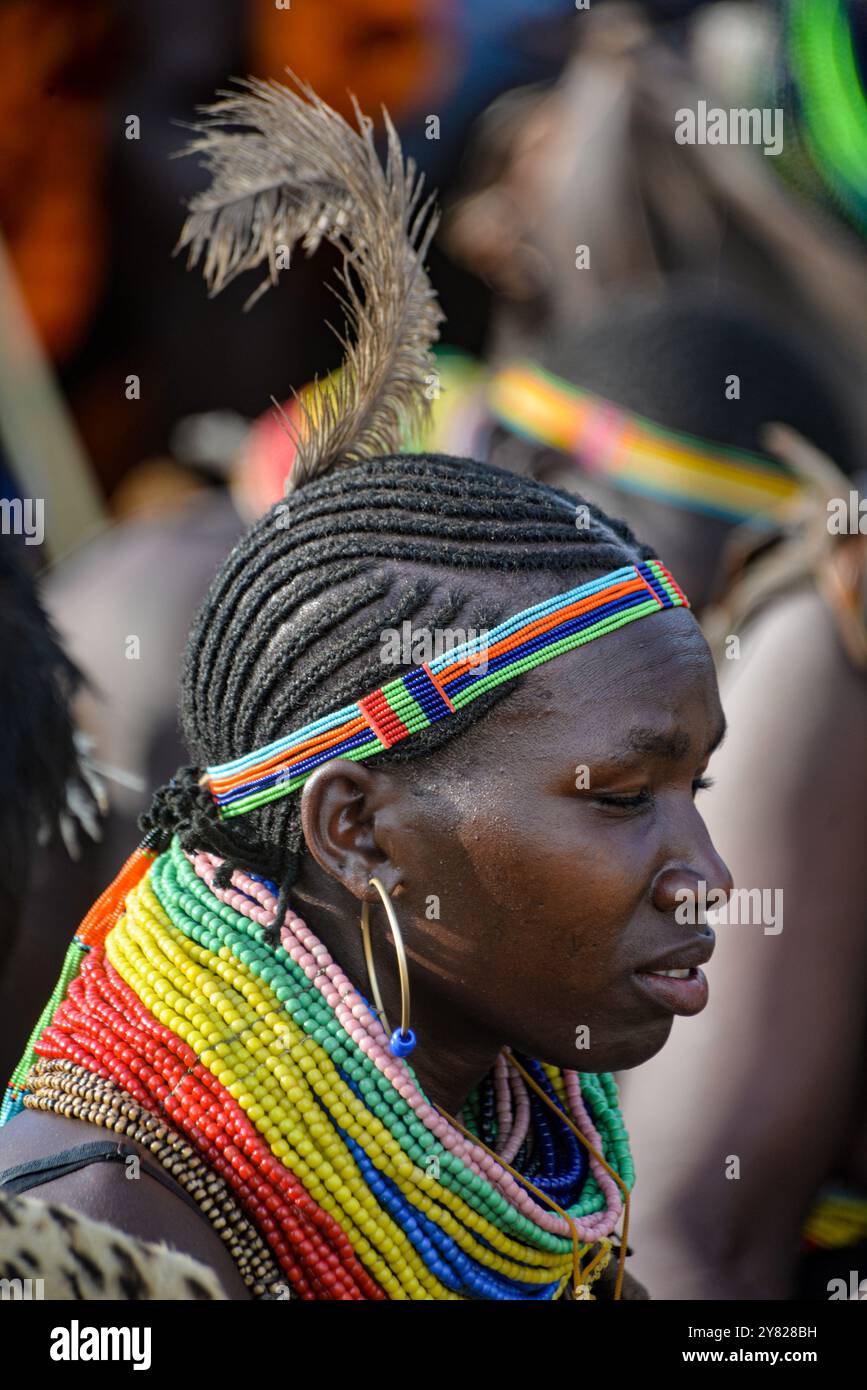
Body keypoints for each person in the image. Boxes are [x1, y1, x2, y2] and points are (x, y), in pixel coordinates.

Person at [0, 77, 731, 1300]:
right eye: (619, 797)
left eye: (695, 786)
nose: (706, 871)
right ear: (358, 829)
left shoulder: (516, 1111)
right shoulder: (97, 1252)